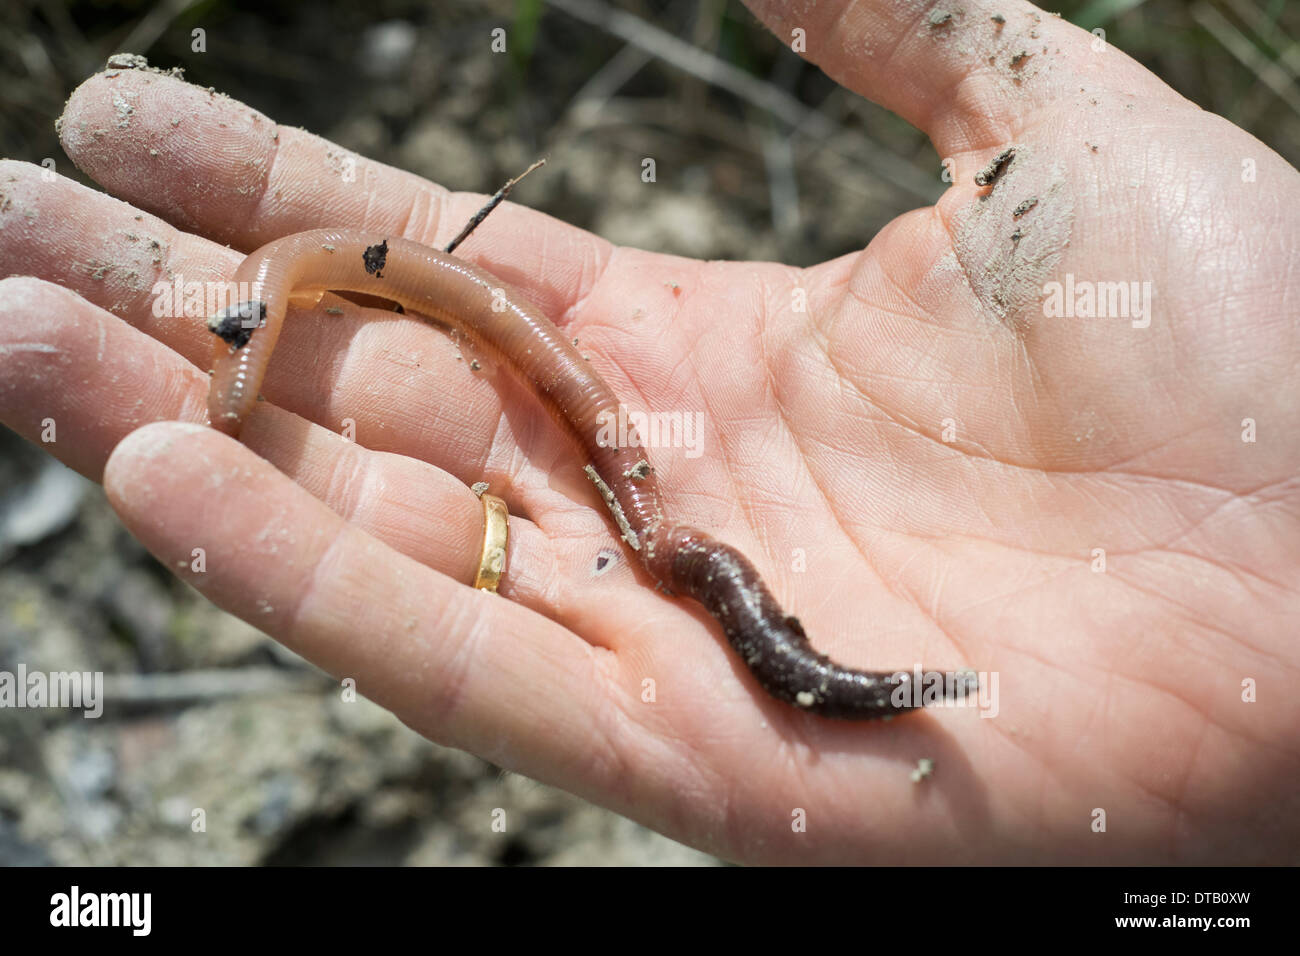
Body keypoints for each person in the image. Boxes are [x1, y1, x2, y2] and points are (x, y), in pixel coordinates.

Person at [0, 0, 1296, 864]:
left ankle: (850, 675)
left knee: (697, 568)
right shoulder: (292, 284)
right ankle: (844, 674)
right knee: (681, 556)